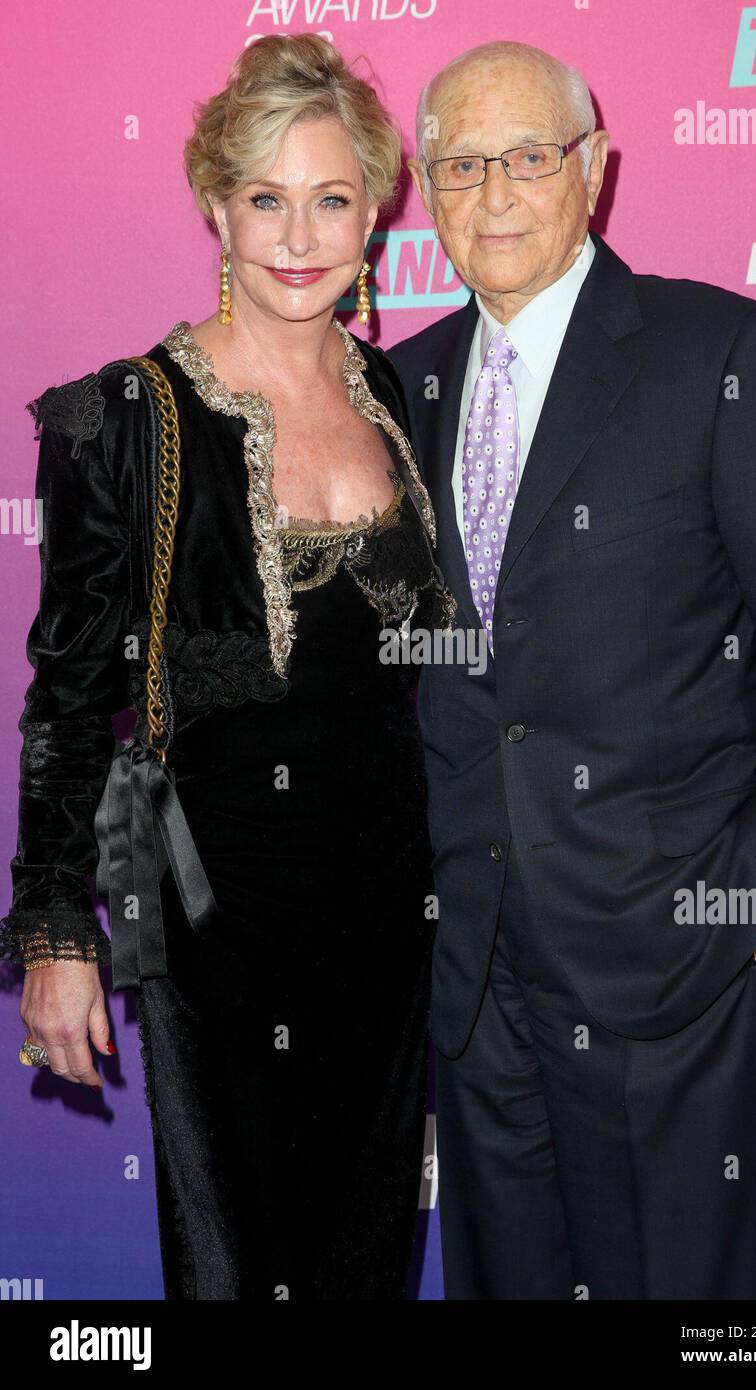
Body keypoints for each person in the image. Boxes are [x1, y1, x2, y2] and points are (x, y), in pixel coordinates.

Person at [388, 40, 756, 1299]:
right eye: (459, 165)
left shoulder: (718, 353)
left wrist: (755, 898)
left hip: (674, 962)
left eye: (527, 158)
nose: (492, 194)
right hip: (476, 977)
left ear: (592, 171)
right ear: (426, 193)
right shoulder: (400, 387)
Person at [2, 33, 453, 1301]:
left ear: (375, 211)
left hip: (390, 913)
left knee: (364, 1254)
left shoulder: (393, 392)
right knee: (237, 1265)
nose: (297, 235)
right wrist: (53, 931)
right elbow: (66, 693)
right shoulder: (122, 419)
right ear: (214, 202)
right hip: (217, 917)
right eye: (265, 198)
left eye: (329, 198)